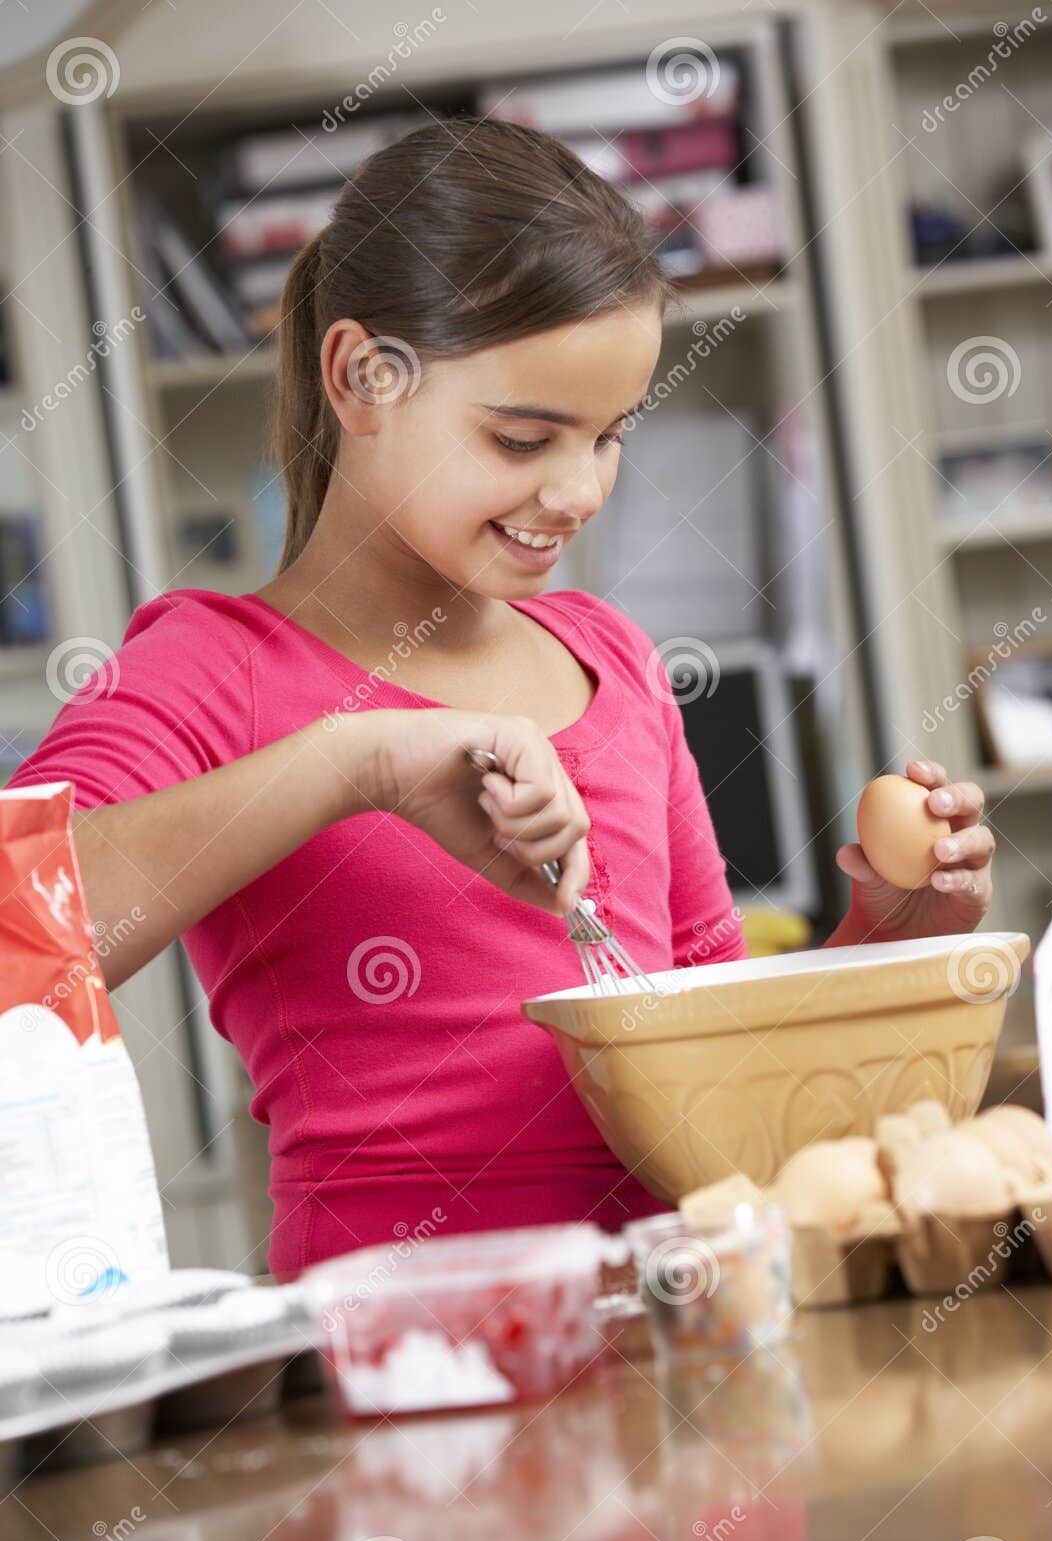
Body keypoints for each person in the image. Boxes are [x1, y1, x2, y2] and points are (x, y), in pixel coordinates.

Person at [8, 118, 994, 1277]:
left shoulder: (609, 659)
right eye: (522, 436)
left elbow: (706, 1047)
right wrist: (354, 764)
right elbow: (15, 943)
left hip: (694, 1327)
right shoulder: (214, 664)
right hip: (412, 1361)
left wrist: (888, 929)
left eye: (608, 436)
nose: (576, 491)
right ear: (359, 378)